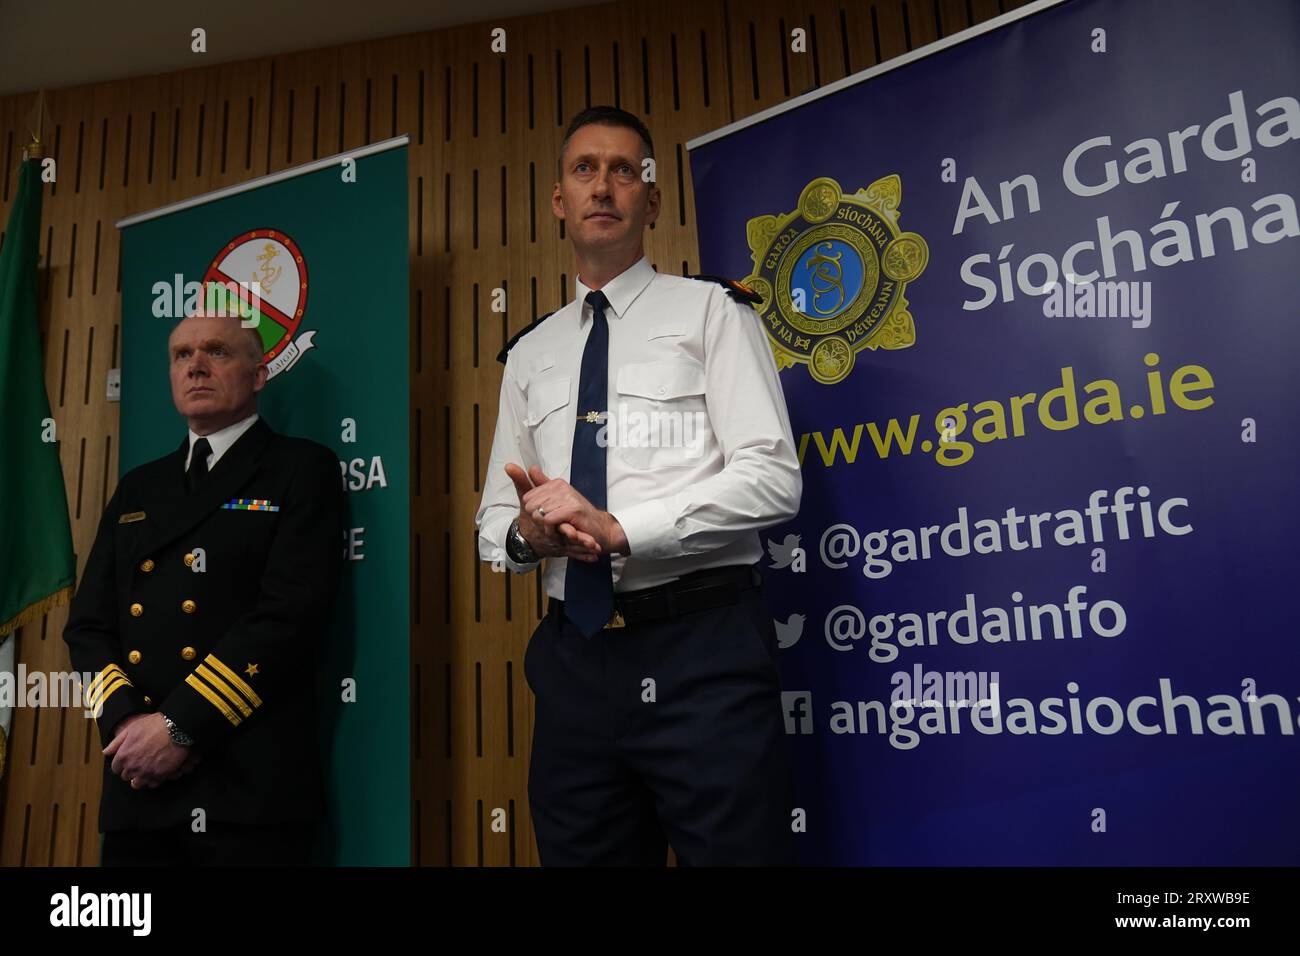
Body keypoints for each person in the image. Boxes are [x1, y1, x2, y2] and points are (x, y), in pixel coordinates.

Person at [475, 106, 803, 865]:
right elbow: (494, 518)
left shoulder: (715, 312)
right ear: (559, 199)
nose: (604, 185)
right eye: (584, 169)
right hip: (574, 660)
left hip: (704, 652)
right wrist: (527, 535)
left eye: (625, 170)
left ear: (652, 202)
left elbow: (772, 479)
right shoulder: (530, 354)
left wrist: (624, 527)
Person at [63, 308, 344, 866]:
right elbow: (88, 626)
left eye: (216, 351)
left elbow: (288, 616)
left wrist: (179, 728)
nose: (195, 366)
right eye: (181, 355)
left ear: (259, 374)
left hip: (247, 785)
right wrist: (127, 726)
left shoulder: (300, 468)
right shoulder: (139, 486)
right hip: (139, 784)